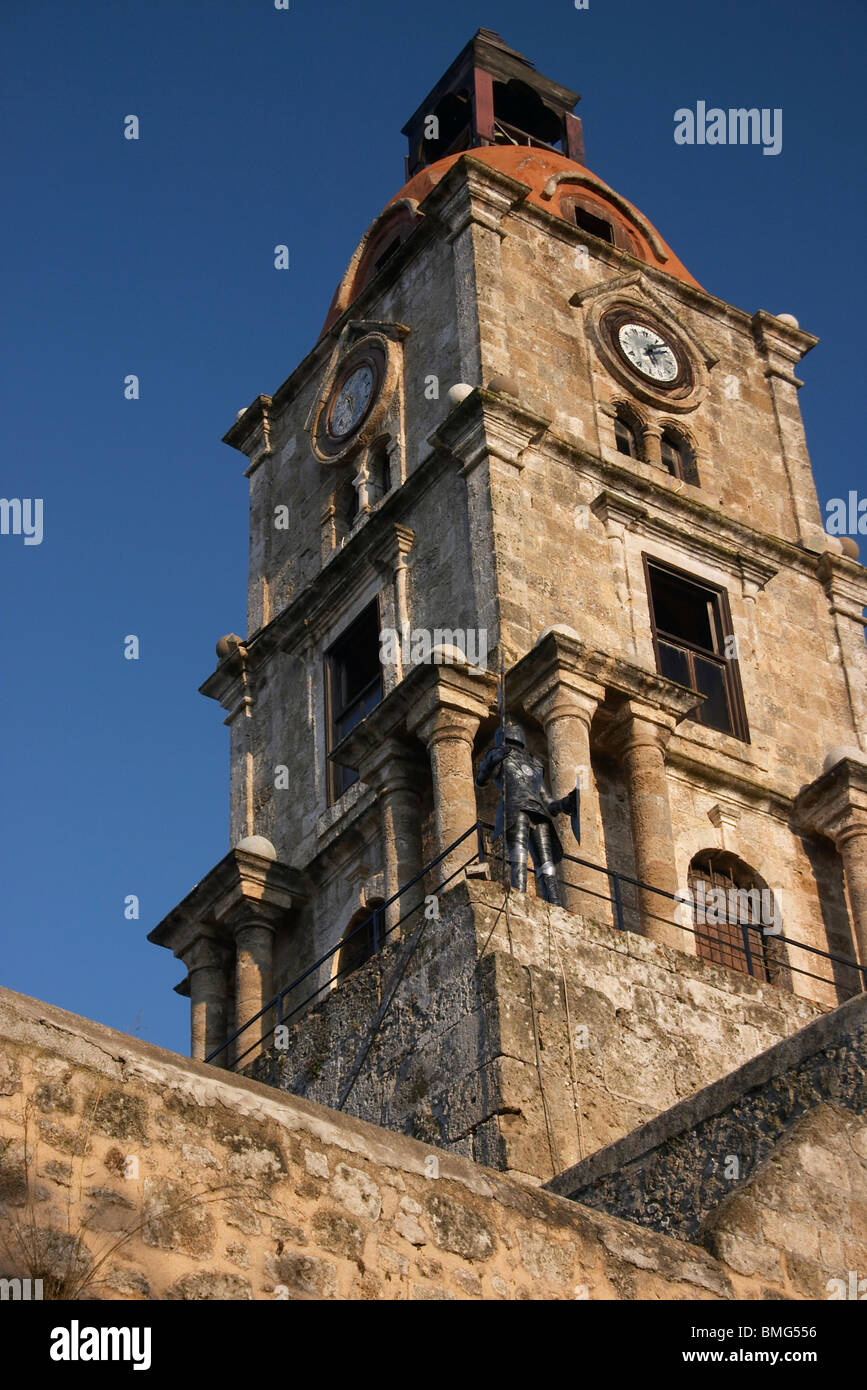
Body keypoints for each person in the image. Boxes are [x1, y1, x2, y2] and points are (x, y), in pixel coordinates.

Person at [475, 718, 579, 906]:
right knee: (519, 853)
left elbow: (547, 802)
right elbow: (481, 780)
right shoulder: (501, 755)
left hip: (539, 812)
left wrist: (565, 803)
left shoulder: (534, 764)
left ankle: (554, 904)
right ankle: (519, 895)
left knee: (546, 862)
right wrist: (491, 761)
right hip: (515, 807)